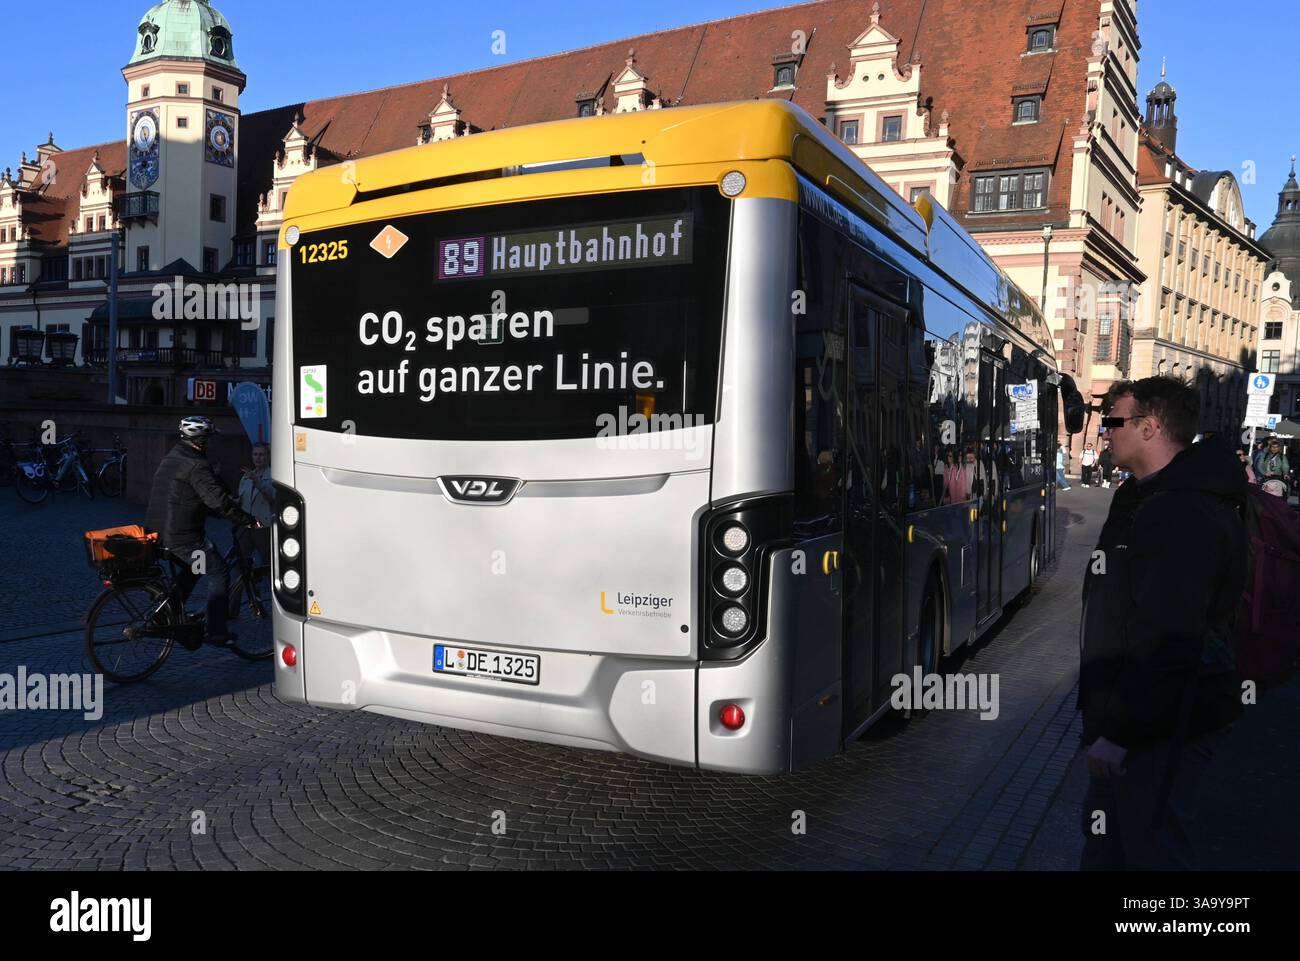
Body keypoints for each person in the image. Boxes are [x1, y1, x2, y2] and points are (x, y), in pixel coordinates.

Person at [1078, 377, 1246, 870]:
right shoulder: (1143, 496)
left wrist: (1122, 731)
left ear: (1150, 427)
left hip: (1157, 733)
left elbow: (1168, 637)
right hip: (1134, 725)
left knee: (1153, 855)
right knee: (1107, 849)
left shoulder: (1181, 510)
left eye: (1114, 421)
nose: (1104, 432)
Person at [144, 416, 258, 646]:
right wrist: (247, 520)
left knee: (194, 568)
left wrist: (218, 510)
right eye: (208, 439)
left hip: (157, 532)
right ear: (201, 440)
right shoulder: (197, 464)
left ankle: (164, 613)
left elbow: (189, 497)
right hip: (182, 536)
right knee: (219, 571)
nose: (210, 444)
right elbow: (217, 501)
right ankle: (217, 631)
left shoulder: (174, 456)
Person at [236, 442, 275, 583]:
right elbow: (242, 499)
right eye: (255, 454)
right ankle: (247, 587)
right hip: (245, 525)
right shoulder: (246, 476)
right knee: (243, 562)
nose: (258, 458)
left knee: (268, 562)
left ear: (268, 456)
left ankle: (271, 593)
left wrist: (257, 480)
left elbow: (272, 496)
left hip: (263, 525)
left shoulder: (274, 475)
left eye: (261, 454)